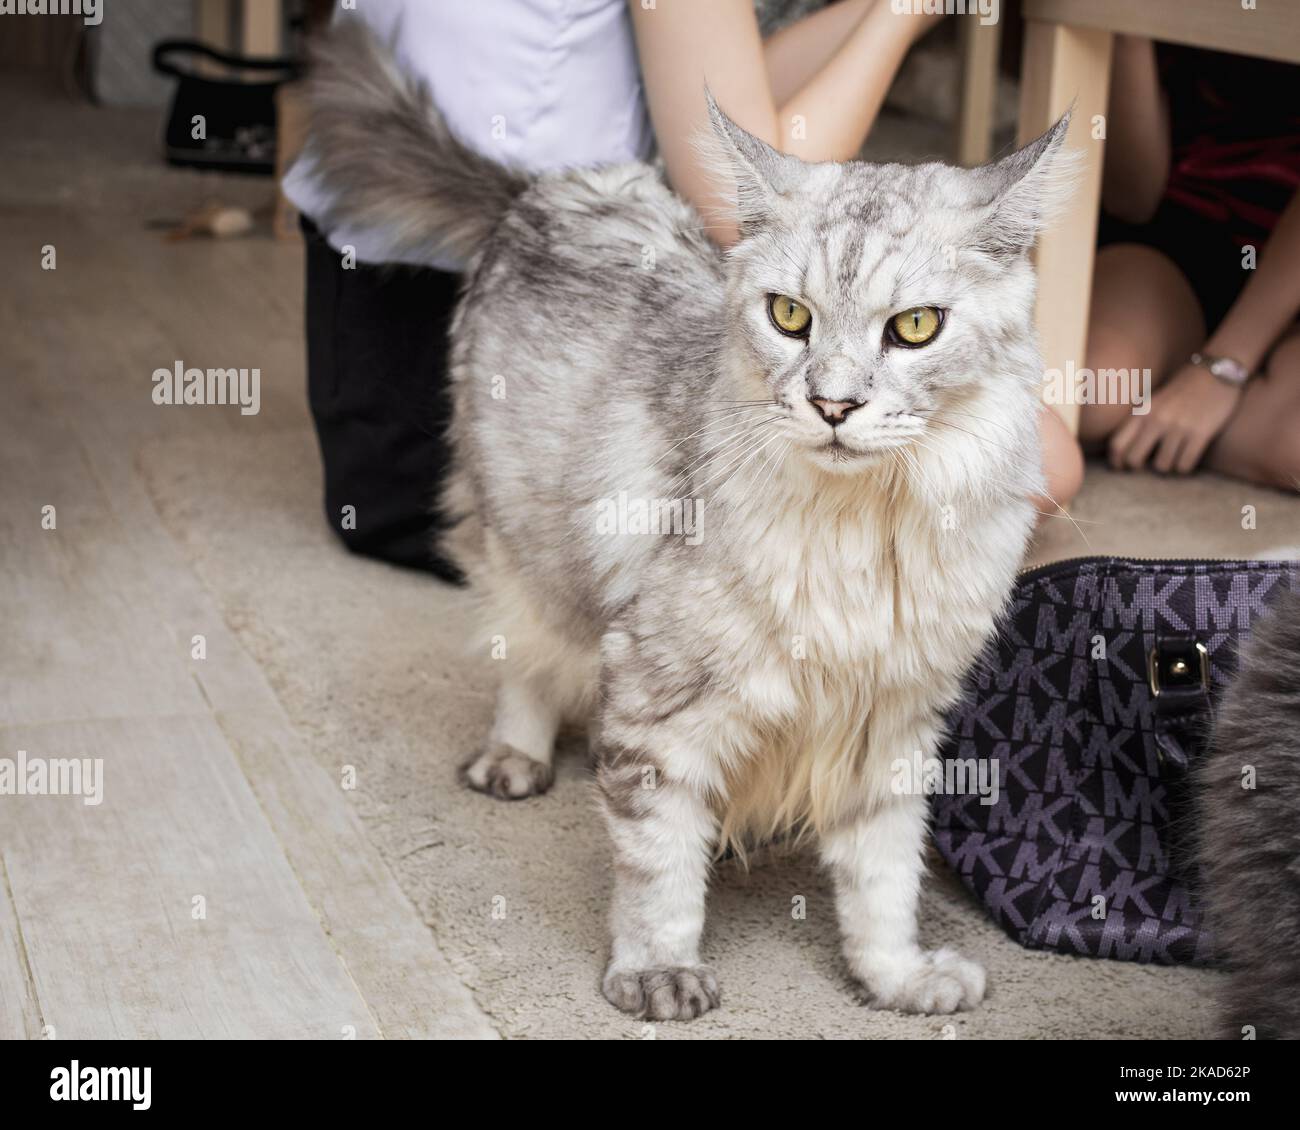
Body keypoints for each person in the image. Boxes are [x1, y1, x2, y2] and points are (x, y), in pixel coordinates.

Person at [285, 0, 965, 578]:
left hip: (392, 322)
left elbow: (722, 104)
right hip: (499, 386)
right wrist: (904, 16)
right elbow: (740, 201)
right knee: (1020, 458)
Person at [1075, 36, 1300, 490]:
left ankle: (1183, 406)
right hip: (1180, 231)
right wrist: (1127, 33)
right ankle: (1182, 408)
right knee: (1090, 396)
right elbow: (1133, 198)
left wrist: (1222, 367)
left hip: (1289, 269)